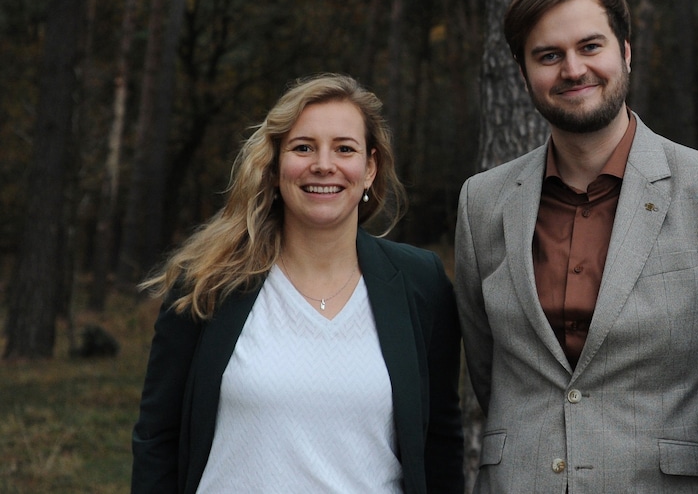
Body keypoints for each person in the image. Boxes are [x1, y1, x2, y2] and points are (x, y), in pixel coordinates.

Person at [453, 0, 698, 493]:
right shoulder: (483, 202)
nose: (573, 69)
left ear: (625, 52)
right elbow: (489, 369)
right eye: (548, 55)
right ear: (524, 74)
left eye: (591, 46)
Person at [131, 74, 463, 494]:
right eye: (303, 147)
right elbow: (157, 439)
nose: (324, 164)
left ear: (369, 168)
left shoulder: (421, 283)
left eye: (344, 148)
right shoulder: (207, 283)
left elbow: (440, 444)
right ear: (273, 169)